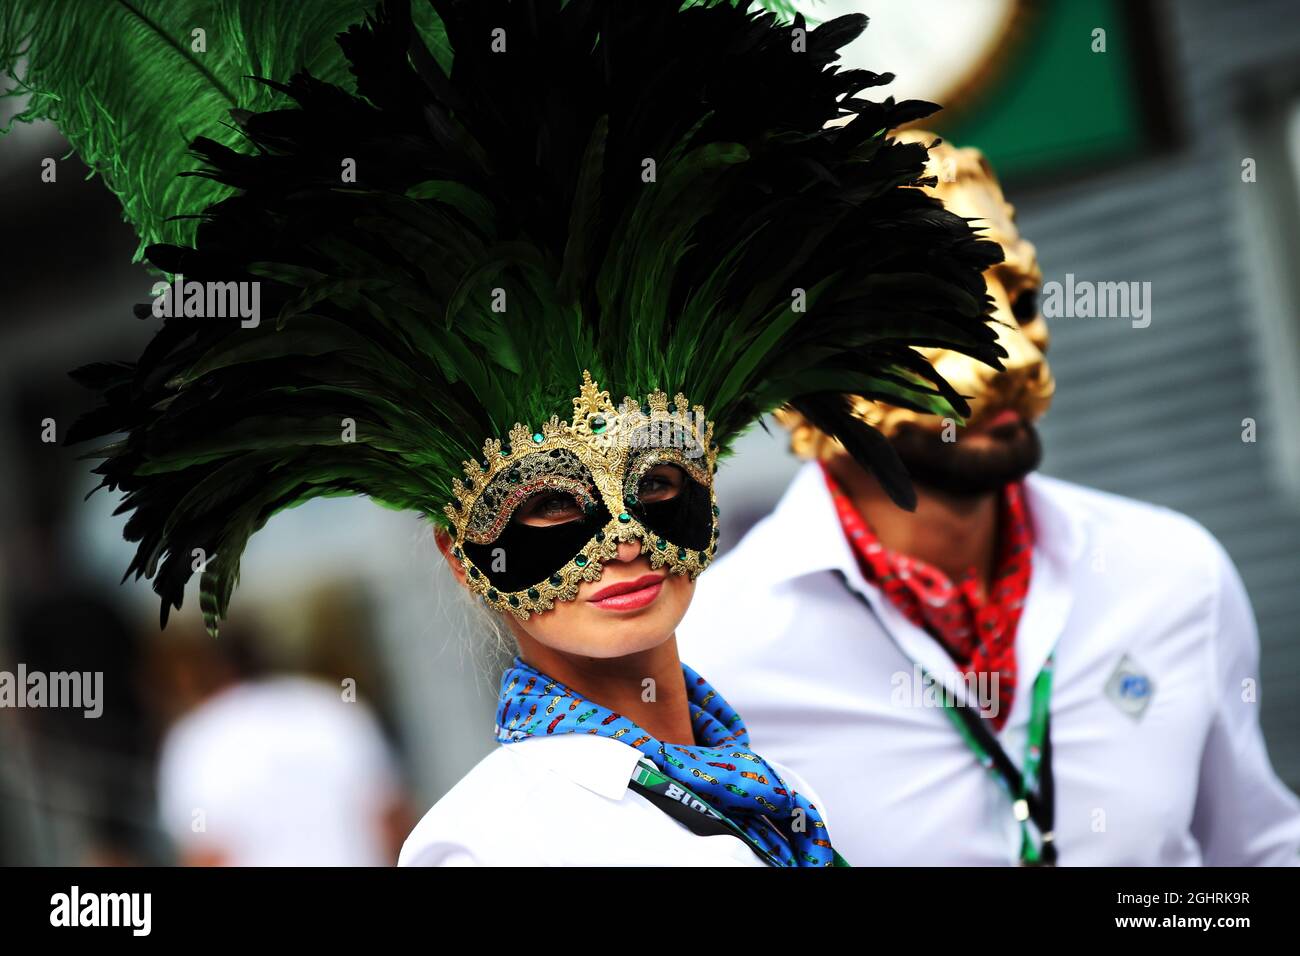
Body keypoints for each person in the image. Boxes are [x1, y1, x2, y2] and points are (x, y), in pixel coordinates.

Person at [20, 1, 1009, 865]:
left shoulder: (761, 776)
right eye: (545, 503)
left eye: (659, 477)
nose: (622, 534)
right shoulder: (498, 840)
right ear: (461, 556)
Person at [679, 131, 1300, 866]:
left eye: (1024, 299)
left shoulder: (1173, 574)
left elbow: (1255, 848)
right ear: (792, 371)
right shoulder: (709, 662)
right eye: (941, 320)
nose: (1019, 356)